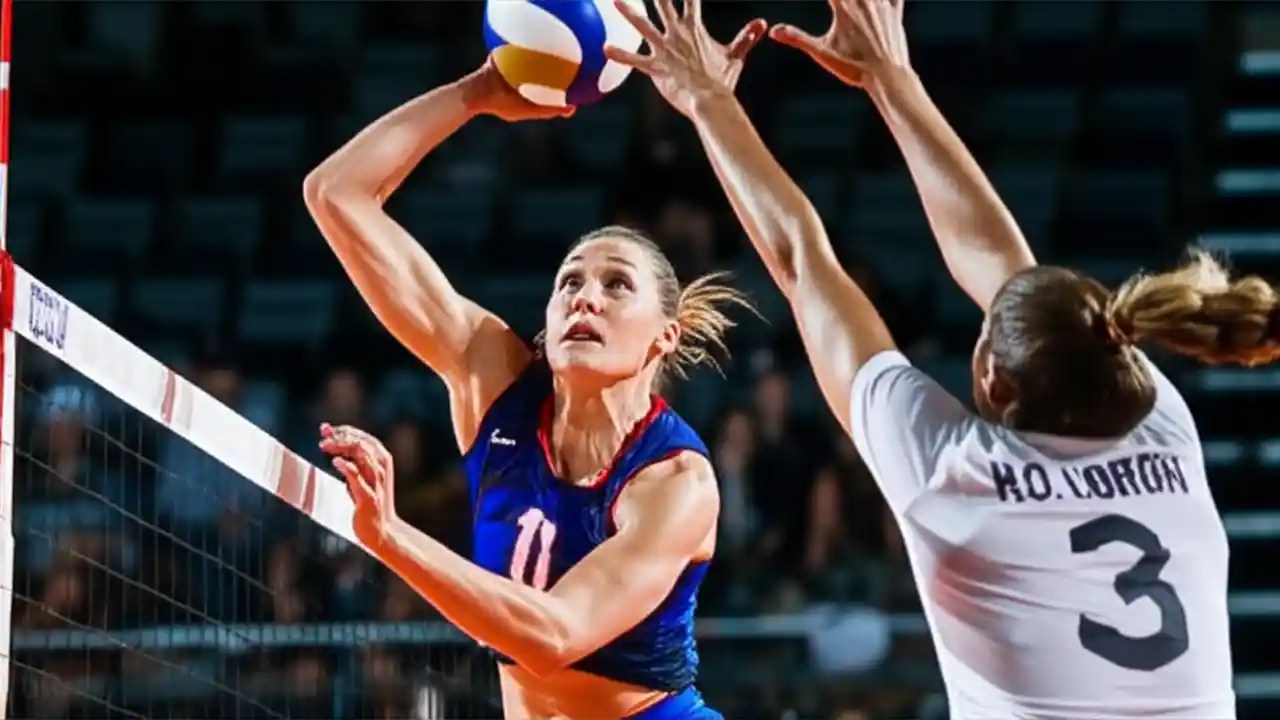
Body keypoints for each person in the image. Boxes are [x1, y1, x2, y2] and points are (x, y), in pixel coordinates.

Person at [607, 0, 1239, 716]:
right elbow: (1019, 286)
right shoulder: (1162, 428)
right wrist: (892, 82)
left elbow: (805, 263)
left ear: (993, 379)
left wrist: (710, 98)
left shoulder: (955, 476)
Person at [301, 16, 766, 718]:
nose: (586, 297)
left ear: (663, 338)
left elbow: (555, 635)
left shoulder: (676, 480)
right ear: (546, 325)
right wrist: (477, 91)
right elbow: (335, 194)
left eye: (616, 286)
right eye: (569, 282)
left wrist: (390, 538)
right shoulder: (492, 379)